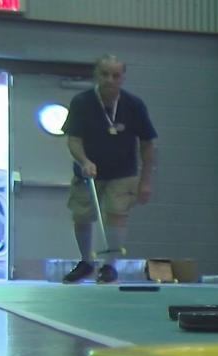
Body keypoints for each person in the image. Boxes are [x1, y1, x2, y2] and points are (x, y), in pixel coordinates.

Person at [59, 54, 158, 283]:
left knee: (117, 215)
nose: (110, 80)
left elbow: (148, 144)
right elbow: (74, 139)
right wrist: (84, 160)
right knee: (82, 215)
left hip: (123, 172)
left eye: (116, 75)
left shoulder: (134, 105)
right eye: (105, 74)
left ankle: (110, 266)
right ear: (96, 75)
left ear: (123, 78)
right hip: (88, 171)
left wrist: (145, 181)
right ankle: (86, 262)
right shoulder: (82, 102)